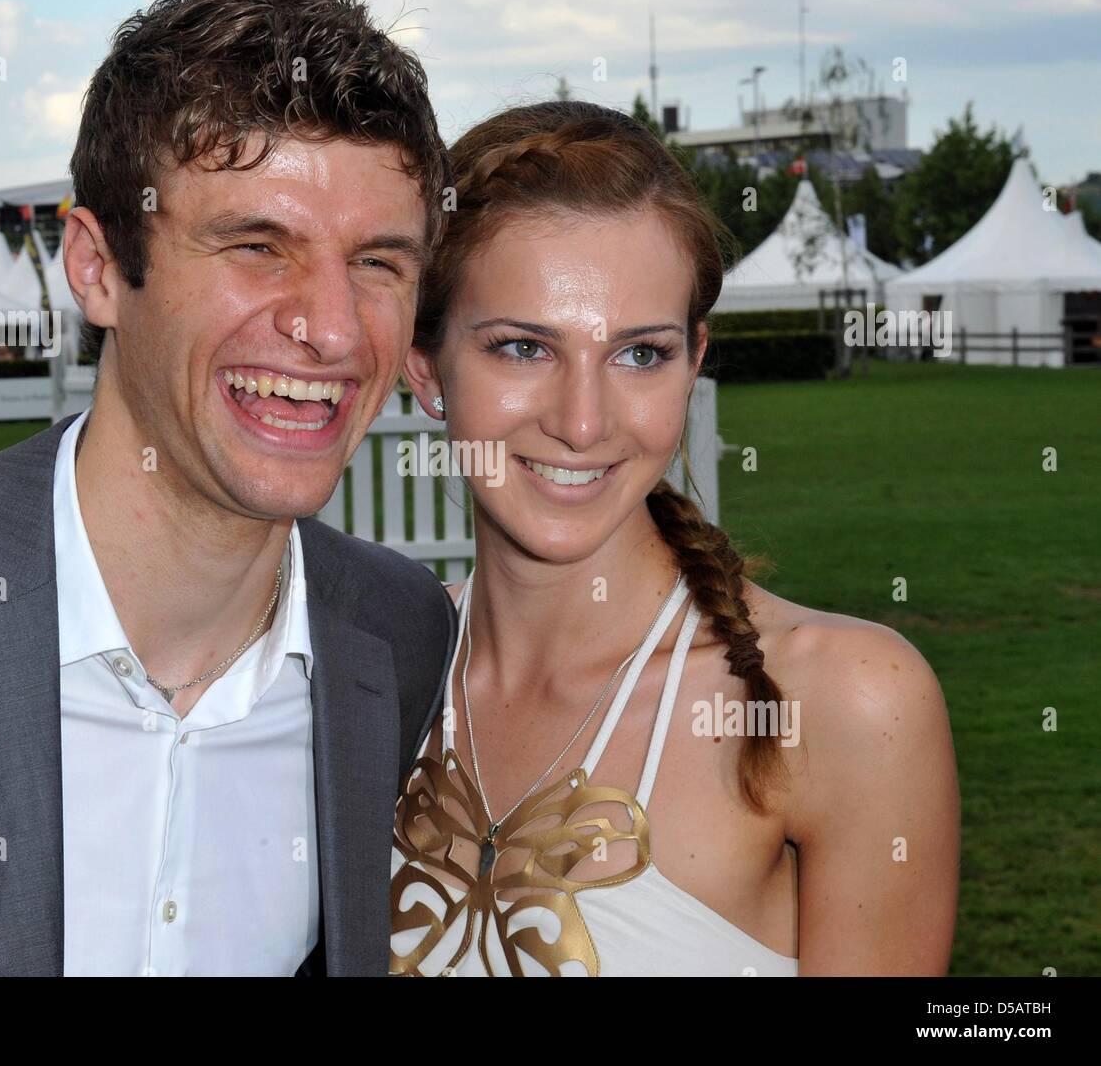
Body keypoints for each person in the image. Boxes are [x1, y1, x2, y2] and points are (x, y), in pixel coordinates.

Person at [0, 0, 454, 977]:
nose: (330, 327)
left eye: (377, 262)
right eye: (256, 244)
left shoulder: (400, 638)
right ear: (99, 266)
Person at [390, 101, 961, 976]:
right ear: (426, 369)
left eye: (640, 354)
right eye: (523, 348)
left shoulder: (842, 701)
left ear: (695, 362)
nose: (583, 423)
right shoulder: (372, 681)